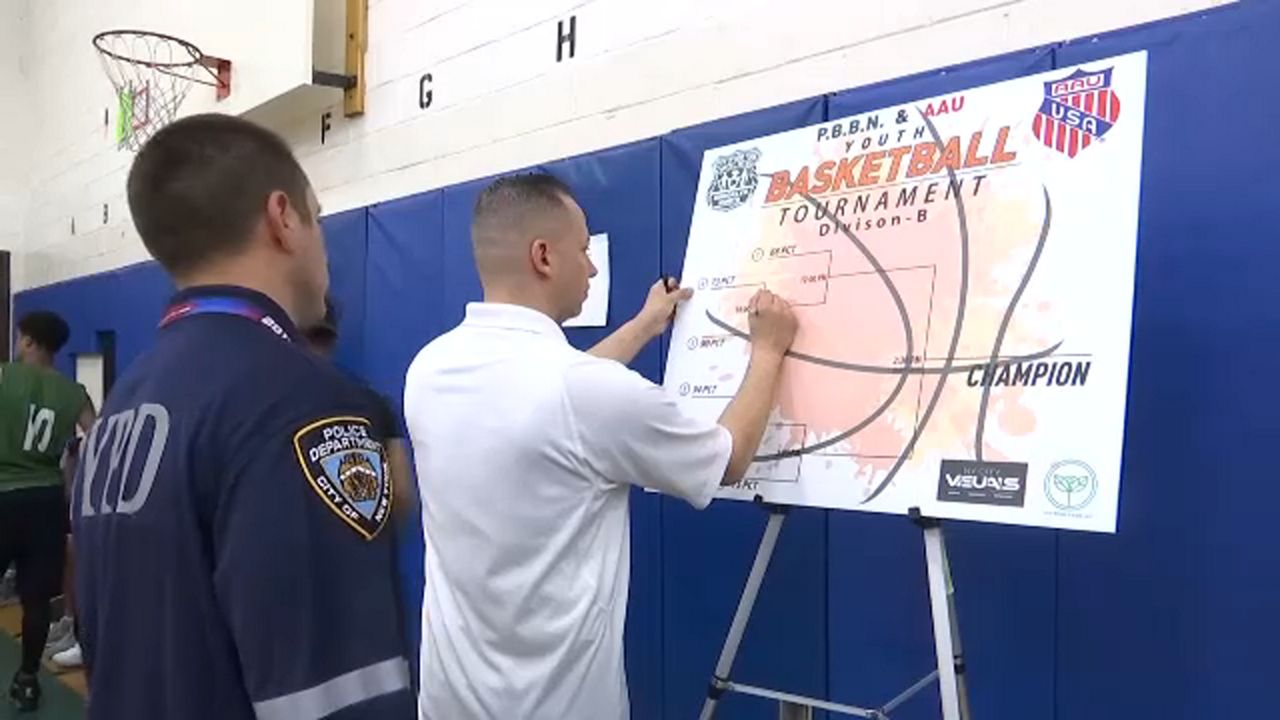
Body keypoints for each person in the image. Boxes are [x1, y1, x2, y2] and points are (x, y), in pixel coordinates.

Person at [402, 172, 798, 719]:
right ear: (543, 256)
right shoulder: (582, 392)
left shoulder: (430, 368)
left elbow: (551, 403)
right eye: (584, 250)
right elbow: (727, 459)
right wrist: (769, 352)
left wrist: (642, 326)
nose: (591, 266)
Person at [69, 113, 415, 719]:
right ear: (283, 218)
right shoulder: (304, 404)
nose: (324, 249)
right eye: (318, 220)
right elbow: (336, 694)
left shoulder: (123, 405)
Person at [0, 310, 96, 711]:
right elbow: (98, 440)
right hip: (46, 504)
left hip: (3, 495)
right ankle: (27, 680)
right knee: (37, 599)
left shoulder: (4, 376)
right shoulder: (75, 393)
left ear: (27, 341)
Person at [303, 297, 417, 521]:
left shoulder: (369, 404)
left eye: (320, 340)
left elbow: (402, 496)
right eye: (310, 339)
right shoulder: (271, 406)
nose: (315, 349)